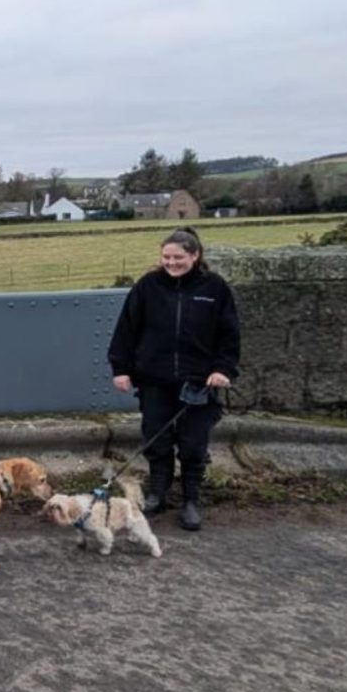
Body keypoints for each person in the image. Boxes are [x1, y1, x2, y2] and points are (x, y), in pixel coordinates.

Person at [108, 226, 241, 531]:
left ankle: (191, 500)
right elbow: (127, 329)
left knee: (194, 445)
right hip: (154, 378)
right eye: (166, 257)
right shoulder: (148, 286)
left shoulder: (215, 288)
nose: (171, 263)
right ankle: (158, 493)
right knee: (157, 439)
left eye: (178, 257)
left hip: (199, 382)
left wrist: (223, 369)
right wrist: (121, 368)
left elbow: (229, 335)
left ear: (195, 255)